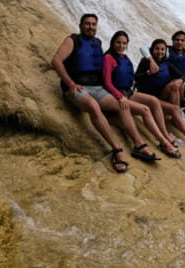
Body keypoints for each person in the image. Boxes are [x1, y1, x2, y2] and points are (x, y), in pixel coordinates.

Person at [51, 14, 160, 173]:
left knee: (122, 104)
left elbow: (106, 70)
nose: (91, 27)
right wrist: (70, 83)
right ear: (81, 25)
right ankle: (117, 150)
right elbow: (56, 61)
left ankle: (138, 145)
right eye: (87, 24)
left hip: (96, 87)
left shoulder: (97, 42)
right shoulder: (72, 40)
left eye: (94, 24)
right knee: (93, 106)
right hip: (77, 87)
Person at [102, 31, 181, 159]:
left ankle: (164, 134)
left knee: (153, 101)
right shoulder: (108, 58)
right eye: (118, 42)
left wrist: (149, 73)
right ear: (112, 43)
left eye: (124, 43)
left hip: (128, 92)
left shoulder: (125, 58)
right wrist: (119, 96)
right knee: (145, 109)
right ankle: (164, 142)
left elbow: (131, 78)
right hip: (117, 95)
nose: (121, 45)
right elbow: (107, 82)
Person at [136, 39, 185, 151]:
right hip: (147, 97)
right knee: (174, 108)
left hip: (160, 96)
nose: (160, 52)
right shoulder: (145, 62)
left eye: (162, 49)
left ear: (165, 51)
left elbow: (181, 76)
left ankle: (176, 118)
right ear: (152, 50)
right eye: (157, 49)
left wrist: (180, 81)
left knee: (175, 85)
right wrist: (148, 73)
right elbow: (136, 78)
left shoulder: (166, 63)